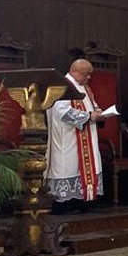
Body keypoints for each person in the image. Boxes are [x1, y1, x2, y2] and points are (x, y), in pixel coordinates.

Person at [45, 59, 105, 213]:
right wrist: (88, 116)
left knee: (82, 167)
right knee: (68, 167)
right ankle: (64, 204)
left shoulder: (84, 87)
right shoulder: (61, 86)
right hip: (67, 137)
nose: (89, 78)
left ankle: (82, 200)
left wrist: (99, 113)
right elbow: (61, 111)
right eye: (86, 74)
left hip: (86, 135)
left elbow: (93, 105)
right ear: (75, 71)